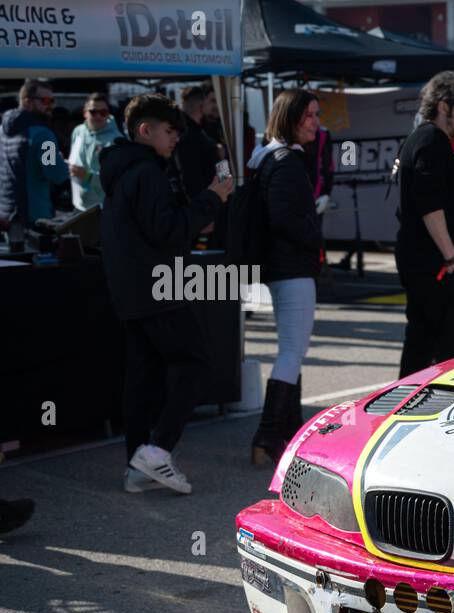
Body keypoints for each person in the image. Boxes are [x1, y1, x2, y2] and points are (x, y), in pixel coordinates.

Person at [99, 94, 233, 494]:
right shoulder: (145, 172)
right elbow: (167, 231)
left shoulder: (124, 169)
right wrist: (212, 199)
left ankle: (137, 465)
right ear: (146, 130)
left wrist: (195, 215)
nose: (175, 138)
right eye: (170, 130)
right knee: (193, 363)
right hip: (158, 287)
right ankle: (156, 453)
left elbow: (160, 226)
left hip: (134, 288)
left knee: (144, 375)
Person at [246, 89, 324, 466]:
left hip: (281, 267)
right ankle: (268, 435)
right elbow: (283, 218)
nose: (315, 122)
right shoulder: (285, 161)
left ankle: (291, 432)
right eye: (309, 115)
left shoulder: (266, 158)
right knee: (292, 351)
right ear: (290, 118)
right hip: (291, 267)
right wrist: (314, 235)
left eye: (316, 114)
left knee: (292, 349)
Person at [395, 71, 454, 377]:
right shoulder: (431, 141)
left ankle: (404, 410)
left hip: (426, 261)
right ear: (444, 106)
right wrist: (451, 257)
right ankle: (434, 414)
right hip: (435, 264)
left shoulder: (424, 138)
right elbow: (430, 206)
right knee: (449, 348)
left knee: (422, 341)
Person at [0, 79, 69, 233]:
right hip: (35, 220)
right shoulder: (44, 136)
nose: (51, 105)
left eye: (52, 100)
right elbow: (57, 175)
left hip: (5, 216)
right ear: (27, 102)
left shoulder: (2, 130)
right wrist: (61, 161)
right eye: (45, 100)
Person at [68, 92, 122, 211]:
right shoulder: (78, 131)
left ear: (108, 114)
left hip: (104, 209)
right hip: (78, 206)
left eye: (103, 113)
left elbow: (118, 181)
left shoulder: (117, 140)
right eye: (93, 112)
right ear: (85, 113)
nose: (98, 116)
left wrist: (87, 176)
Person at [173, 84, 221, 200]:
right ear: (201, 106)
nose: (215, 106)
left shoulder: (196, 129)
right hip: (201, 201)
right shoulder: (188, 134)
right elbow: (190, 178)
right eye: (212, 101)